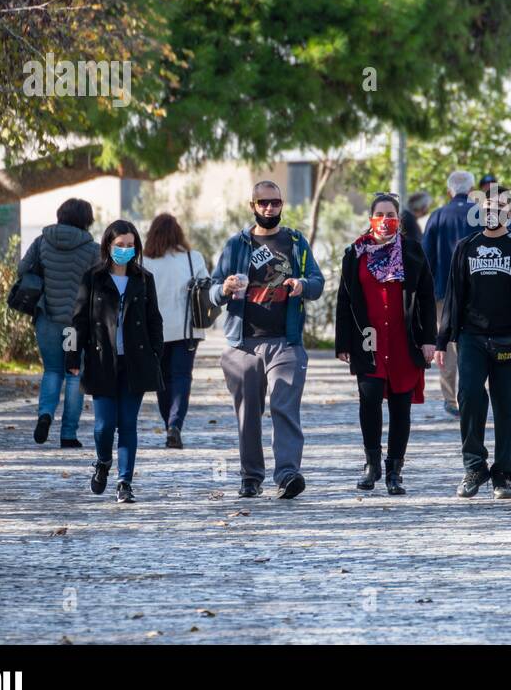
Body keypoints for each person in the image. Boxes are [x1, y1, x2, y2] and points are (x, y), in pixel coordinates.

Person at [210, 181, 324, 500]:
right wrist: (225, 288)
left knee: (283, 405)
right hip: (242, 343)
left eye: (275, 202)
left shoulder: (296, 242)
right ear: (253, 206)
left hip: (285, 342)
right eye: (264, 203)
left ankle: (287, 474)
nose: (270, 208)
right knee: (248, 413)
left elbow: (317, 282)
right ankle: (251, 477)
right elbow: (212, 289)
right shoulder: (236, 245)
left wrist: (303, 285)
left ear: (282, 204)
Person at [436, 185, 511, 499]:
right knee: (468, 395)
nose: (492, 212)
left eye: (500, 207)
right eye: (487, 207)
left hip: (510, 339)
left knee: (506, 408)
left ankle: (502, 475)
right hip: (472, 337)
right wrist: (442, 340)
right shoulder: (466, 247)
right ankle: (474, 467)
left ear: (509, 212)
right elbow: (453, 297)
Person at [335, 193, 437, 495]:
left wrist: (429, 339)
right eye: (379, 214)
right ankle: (372, 464)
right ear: (370, 219)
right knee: (369, 402)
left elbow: (427, 299)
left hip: (404, 341)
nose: (385, 220)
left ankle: (395, 469)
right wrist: (343, 342)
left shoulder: (413, 251)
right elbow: (344, 299)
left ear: (399, 219)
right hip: (369, 339)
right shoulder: (355, 253)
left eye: (390, 214)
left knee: (400, 407)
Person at [66, 220, 164, 504]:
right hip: (101, 361)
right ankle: (102, 462)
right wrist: (71, 356)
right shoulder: (92, 278)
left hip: (136, 362)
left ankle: (125, 482)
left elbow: (154, 320)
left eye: (130, 245)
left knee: (128, 424)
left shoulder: (144, 279)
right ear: (108, 246)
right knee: (103, 426)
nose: (124, 250)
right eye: (119, 245)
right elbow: (76, 321)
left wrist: (156, 353)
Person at [17, 198, 97, 448]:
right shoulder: (92, 249)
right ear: (86, 219)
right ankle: (68, 434)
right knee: (74, 374)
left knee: (52, 370)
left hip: (47, 319)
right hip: (76, 324)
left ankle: (45, 415)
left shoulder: (42, 241)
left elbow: (22, 269)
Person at [141, 213, 209, 449]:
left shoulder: (144, 262)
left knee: (162, 378)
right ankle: (175, 424)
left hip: (155, 331)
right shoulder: (193, 258)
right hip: (187, 329)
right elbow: (207, 289)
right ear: (178, 233)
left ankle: (169, 422)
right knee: (181, 377)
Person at [422, 169, 476, 419]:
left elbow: (426, 257)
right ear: (471, 189)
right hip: (476, 293)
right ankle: (471, 392)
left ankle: (450, 399)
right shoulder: (480, 215)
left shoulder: (437, 216)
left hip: (443, 291)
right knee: (471, 343)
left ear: (449, 191)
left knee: (446, 345)